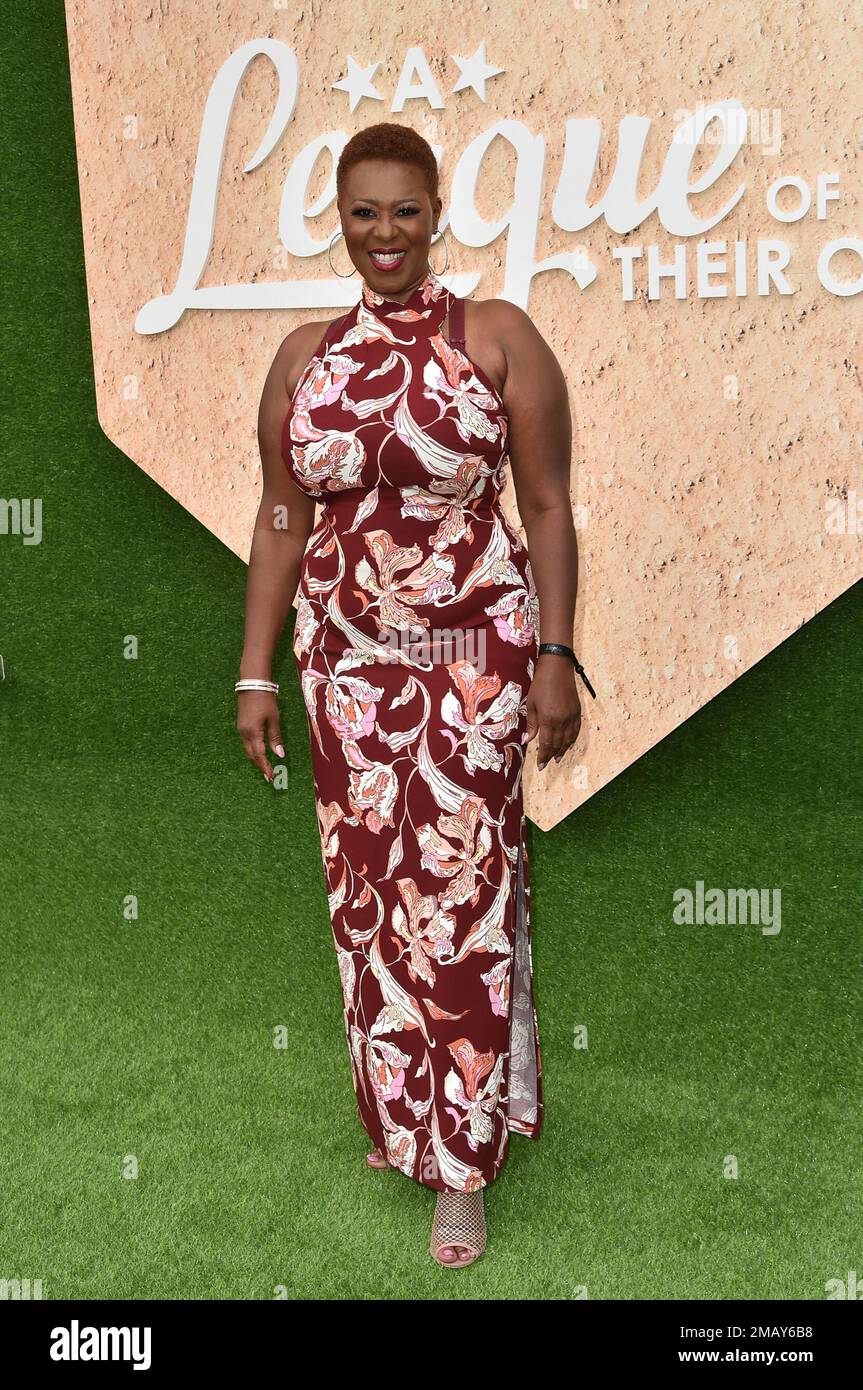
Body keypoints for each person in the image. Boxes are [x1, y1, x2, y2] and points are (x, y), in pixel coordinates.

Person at [239, 121, 589, 1268]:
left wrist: (550, 656)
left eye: (403, 210)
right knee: (371, 903)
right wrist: (256, 670)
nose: (382, 233)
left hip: (471, 664)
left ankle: (462, 1165)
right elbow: (284, 516)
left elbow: (542, 508)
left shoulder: (495, 337)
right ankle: (402, 1116)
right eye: (360, 213)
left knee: (462, 899)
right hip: (342, 670)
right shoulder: (302, 357)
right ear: (335, 221)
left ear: (436, 214)